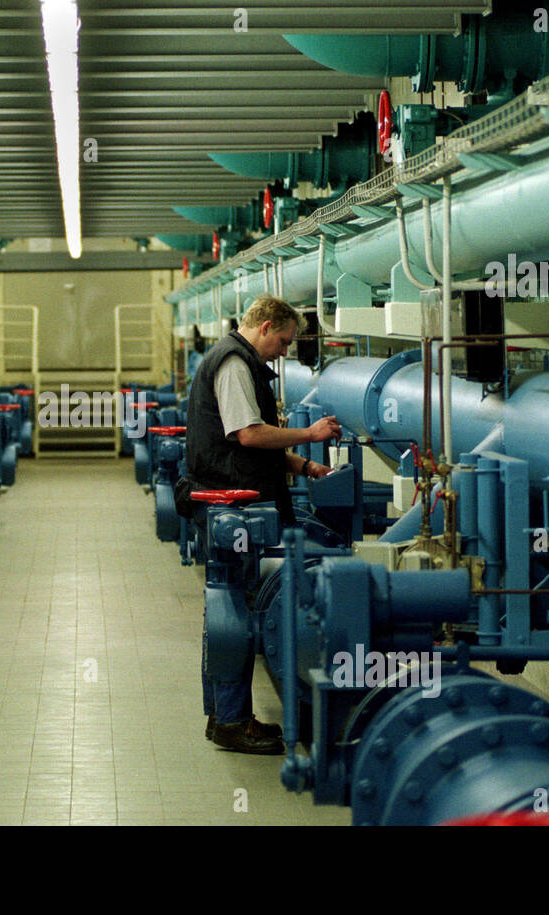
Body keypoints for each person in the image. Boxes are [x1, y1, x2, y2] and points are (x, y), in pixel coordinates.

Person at [185, 294, 341, 754]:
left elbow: (242, 444)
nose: (285, 351)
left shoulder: (232, 359)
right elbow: (249, 434)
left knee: (226, 612)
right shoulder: (235, 363)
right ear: (266, 326)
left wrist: (302, 467)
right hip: (237, 508)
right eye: (285, 341)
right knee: (234, 615)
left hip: (236, 501)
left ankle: (226, 717)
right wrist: (310, 436)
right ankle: (232, 720)